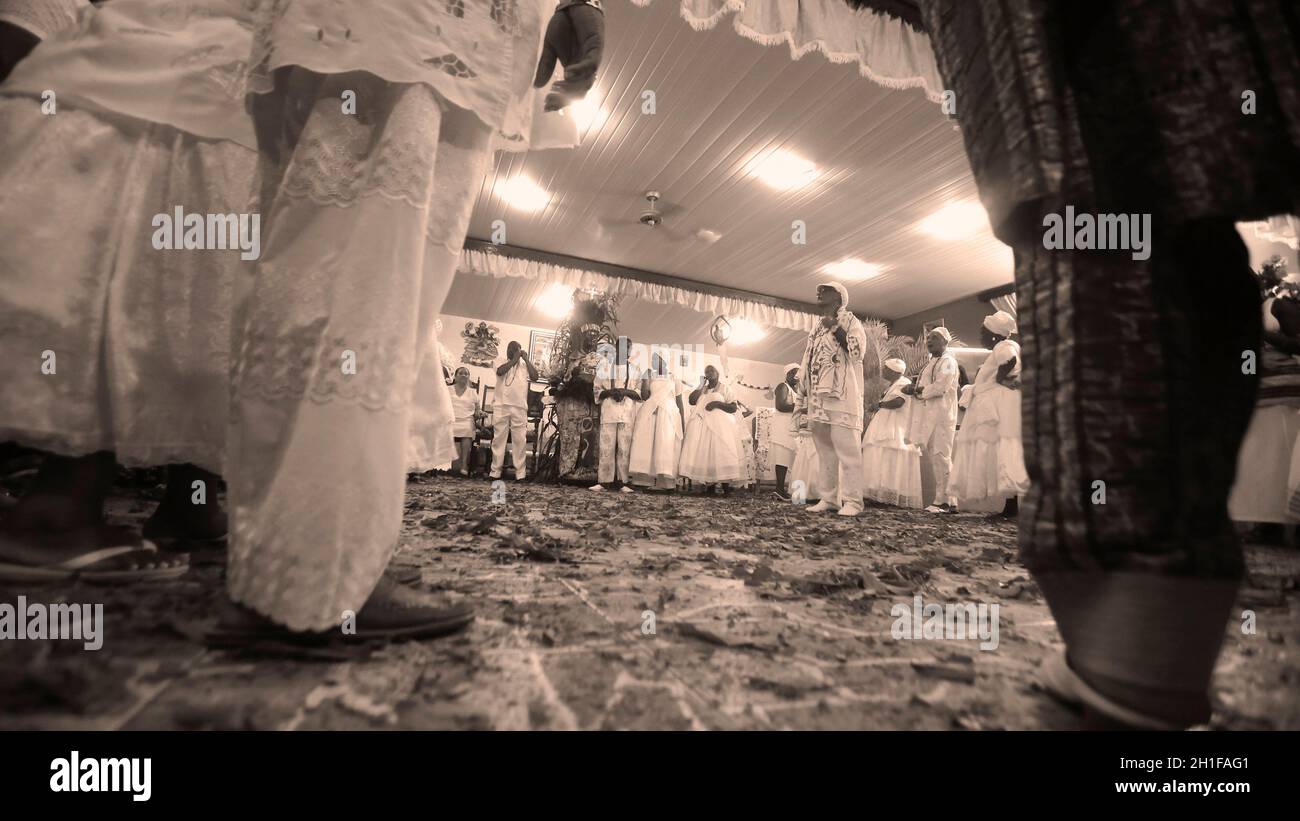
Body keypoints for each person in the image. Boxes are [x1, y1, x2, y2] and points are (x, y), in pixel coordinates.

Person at [221, 0, 604, 638]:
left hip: (350, 29)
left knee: (320, 242)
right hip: (419, 35)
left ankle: (281, 551)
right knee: (380, 253)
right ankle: (320, 568)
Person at [0, 0, 260, 582]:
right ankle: (58, 508)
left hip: (112, 63)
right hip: (195, 93)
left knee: (188, 313)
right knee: (149, 298)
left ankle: (191, 502)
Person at [796, 282, 867, 517]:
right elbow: (809, 358)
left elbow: (858, 353)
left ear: (839, 298)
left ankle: (853, 502)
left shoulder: (850, 320)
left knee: (847, 448)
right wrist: (804, 385)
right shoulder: (816, 327)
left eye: (825, 290)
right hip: (818, 395)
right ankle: (829, 498)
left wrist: (836, 327)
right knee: (824, 448)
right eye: (818, 290)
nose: (819, 292)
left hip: (842, 395)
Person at [949, 311, 1028, 515]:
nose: (980, 337)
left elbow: (1009, 360)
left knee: (1002, 450)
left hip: (999, 405)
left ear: (994, 334)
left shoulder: (1005, 346)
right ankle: (1011, 506)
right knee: (1001, 451)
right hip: (997, 403)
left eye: (983, 332)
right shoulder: (1004, 347)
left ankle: (1012, 506)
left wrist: (1000, 379)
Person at [902, 327, 959, 513]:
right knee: (937, 456)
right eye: (928, 338)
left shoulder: (949, 361)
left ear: (945, 342)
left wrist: (917, 391)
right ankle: (948, 501)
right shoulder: (931, 362)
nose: (929, 341)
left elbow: (941, 387)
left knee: (941, 456)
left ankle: (944, 500)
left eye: (934, 338)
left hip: (943, 416)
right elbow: (927, 385)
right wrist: (915, 388)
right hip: (932, 415)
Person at [861, 358, 922, 508]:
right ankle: (879, 494)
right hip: (886, 426)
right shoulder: (893, 385)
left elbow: (899, 402)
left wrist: (880, 405)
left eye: (886, 369)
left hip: (895, 428)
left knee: (891, 459)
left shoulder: (904, 383)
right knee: (881, 458)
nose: (883, 371)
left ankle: (891, 495)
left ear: (894, 371)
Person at [678, 365, 741, 494]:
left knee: (721, 453)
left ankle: (725, 486)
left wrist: (717, 404)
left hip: (720, 427)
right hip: (701, 427)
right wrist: (701, 385)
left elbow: (733, 407)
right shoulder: (703, 389)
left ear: (717, 374)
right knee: (706, 454)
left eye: (712, 370)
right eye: (706, 371)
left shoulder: (725, 388)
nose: (709, 372)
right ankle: (710, 486)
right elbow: (691, 400)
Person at [628, 351, 684, 491]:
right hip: (650, 411)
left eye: (656, 359)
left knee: (664, 444)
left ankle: (665, 483)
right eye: (652, 359)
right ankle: (643, 480)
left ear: (664, 361)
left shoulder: (674, 377)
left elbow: (679, 402)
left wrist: (682, 422)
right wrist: (645, 379)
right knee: (645, 443)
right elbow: (645, 396)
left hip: (668, 413)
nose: (653, 362)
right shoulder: (649, 375)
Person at [591, 337, 640, 492]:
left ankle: (623, 482)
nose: (627, 350)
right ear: (616, 349)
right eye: (624, 347)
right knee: (606, 447)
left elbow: (639, 393)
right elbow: (597, 389)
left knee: (625, 448)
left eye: (629, 348)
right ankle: (604, 482)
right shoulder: (604, 368)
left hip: (627, 413)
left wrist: (625, 392)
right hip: (609, 411)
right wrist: (611, 392)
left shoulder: (636, 370)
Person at [491, 342, 537, 481]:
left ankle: (520, 474)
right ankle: (495, 472)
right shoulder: (499, 360)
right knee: (499, 439)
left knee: (519, 441)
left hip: (520, 407)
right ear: (507, 350)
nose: (512, 351)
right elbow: (500, 371)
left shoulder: (524, 364)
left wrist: (526, 359)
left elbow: (535, 376)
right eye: (509, 348)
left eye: (515, 349)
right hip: (501, 405)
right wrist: (514, 359)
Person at [769, 363, 801, 499]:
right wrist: (801, 406)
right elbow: (781, 405)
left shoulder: (797, 391)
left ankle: (790, 490)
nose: (796, 376)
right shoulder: (783, 386)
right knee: (782, 457)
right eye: (793, 373)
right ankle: (779, 489)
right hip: (783, 427)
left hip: (792, 427)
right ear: (787, 374)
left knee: (793, 458)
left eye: (798, 373)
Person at [448, 367, 482, 477]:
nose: (464, 375)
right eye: (461, 373)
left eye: (466, 374)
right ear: (455, 376)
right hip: (450, 419)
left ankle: (463, 466)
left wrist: (479, 413)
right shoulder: (448, 389)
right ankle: (441, 465)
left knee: (467, 430)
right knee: (443, 429)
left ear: (468, 377)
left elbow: (477, 408)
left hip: (466, 419)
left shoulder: (473, 392)